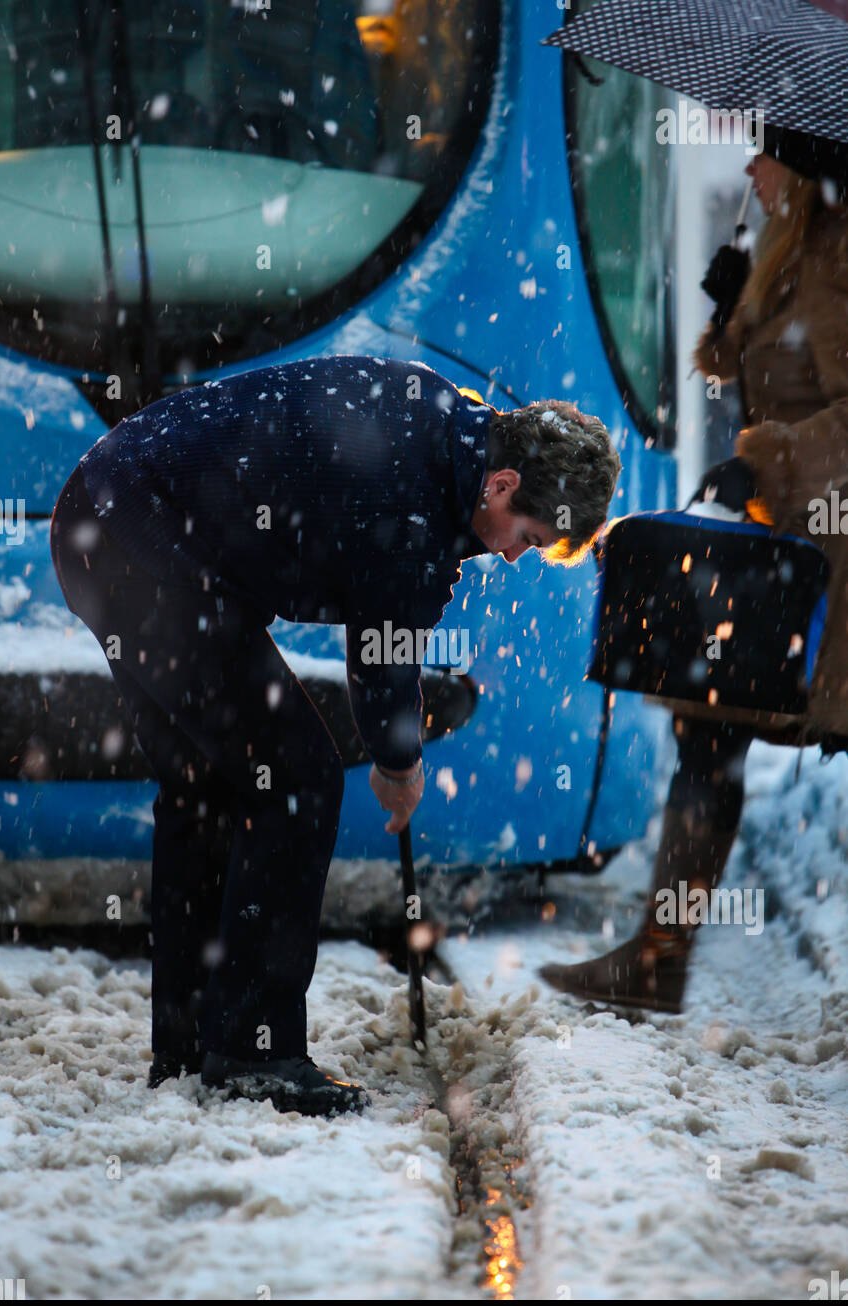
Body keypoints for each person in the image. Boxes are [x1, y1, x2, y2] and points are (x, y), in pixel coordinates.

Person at [50, 354, 620, 1115]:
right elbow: (382, 653)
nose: (518, 555)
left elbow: (396, 609)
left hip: (103, 516)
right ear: (504, 484)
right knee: (297, 778)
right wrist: (398, 761)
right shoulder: (414, 497)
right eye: (529, 535)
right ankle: (254, 1053)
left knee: (209, 785)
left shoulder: (441, 431)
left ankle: (192, 1045)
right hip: (144, 550)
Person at [544, 125, 848, 1014]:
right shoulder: (782, 248)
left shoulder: (835, 261)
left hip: (828, 556)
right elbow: (750, 372)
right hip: (786, 552)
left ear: (804, 166)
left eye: (764, 153)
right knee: (707, 736)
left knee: (720, 735)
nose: (748, 167)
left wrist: (769, 462)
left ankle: (658, 958)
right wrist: (731, 307)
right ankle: (658, 957)